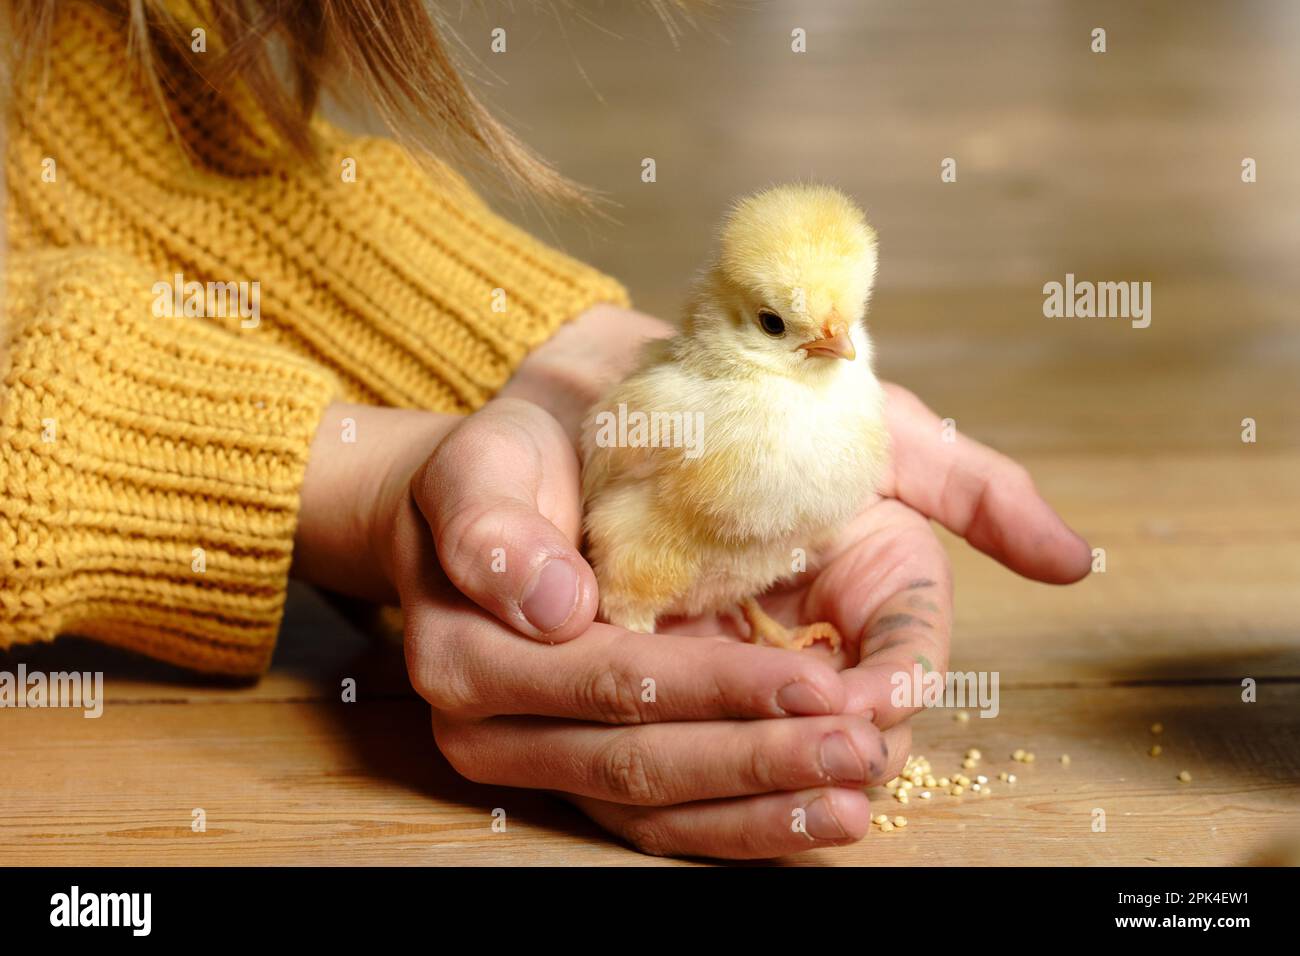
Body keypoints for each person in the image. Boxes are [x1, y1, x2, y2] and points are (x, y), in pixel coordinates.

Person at [0, 0, 1090, 858]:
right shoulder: (674, 414)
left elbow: (98, 120)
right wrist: (361, 480)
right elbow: (615, 485)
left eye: (845, 324)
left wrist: (530, 350)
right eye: (784, 325)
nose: (835, 351)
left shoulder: (834, 386)